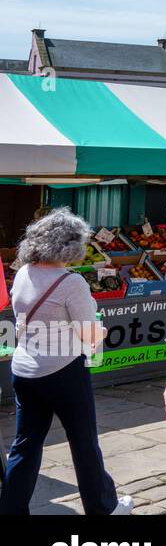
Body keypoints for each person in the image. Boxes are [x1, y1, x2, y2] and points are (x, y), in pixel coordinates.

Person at [0, 209, 131, 516]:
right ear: (71, 245)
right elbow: (90, 335)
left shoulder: (23, 273)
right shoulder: (71, 283)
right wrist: (100, 332)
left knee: (25, 444)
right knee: (83, 441)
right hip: (64, 371)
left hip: (24, 369)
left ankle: (10, 509)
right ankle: (102, 508)